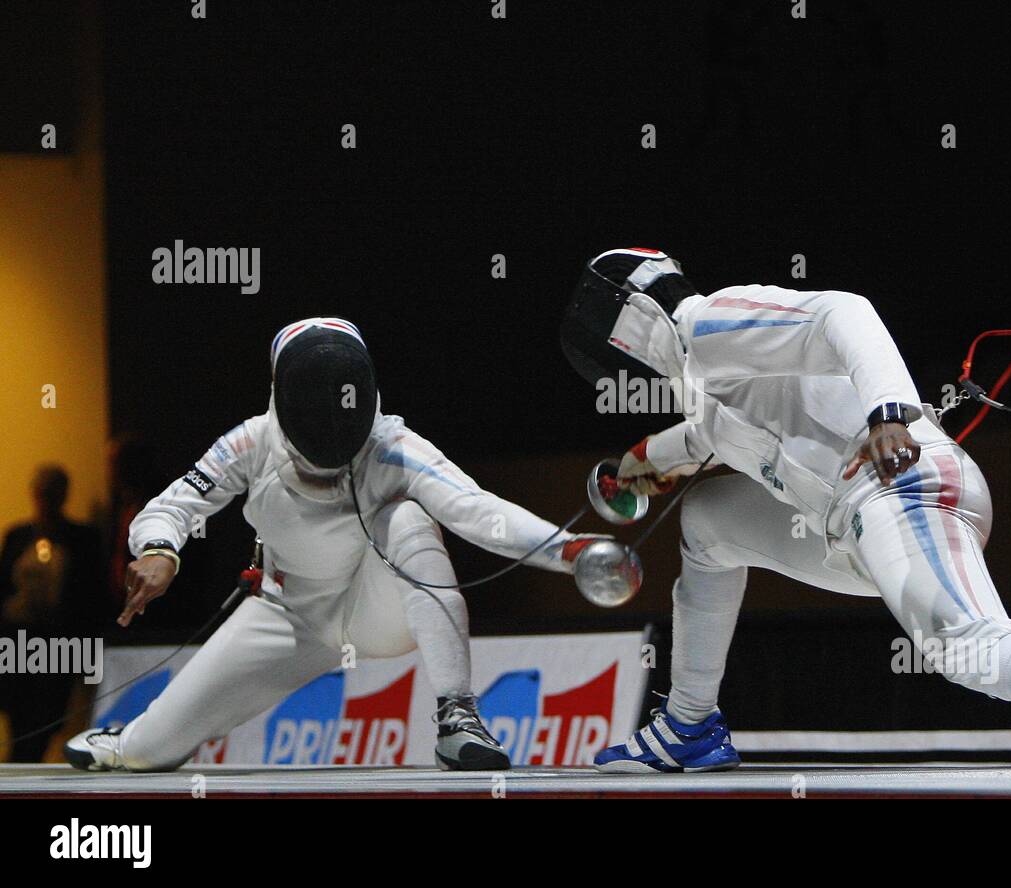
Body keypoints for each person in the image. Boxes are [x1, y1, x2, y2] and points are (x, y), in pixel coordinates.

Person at [561, 248, 1011, 772]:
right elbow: (700, 437)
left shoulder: (709, 324)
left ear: (625, 313)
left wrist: (887, 411)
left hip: (903, 482)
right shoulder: (705, 386)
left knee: (970, 651)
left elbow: (844, 313)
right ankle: (688, 727)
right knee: (708, 519)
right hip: (849, 526)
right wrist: (633, 470)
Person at [66, 317, 602, 772]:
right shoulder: (251, 442)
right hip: (288, 614)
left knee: (411, 518)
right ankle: (128, 741)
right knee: (148, 751)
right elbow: (173, 505)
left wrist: (570, 551)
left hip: (374, 608)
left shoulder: (392, 446)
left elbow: (478, 510)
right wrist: (160, 549)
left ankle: (456, 718)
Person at [0, 466, 105, 761]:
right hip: (19, 641)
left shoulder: (82, 539)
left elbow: (90, 595)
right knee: (20, 719)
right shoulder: (18, 536)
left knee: (53, 716)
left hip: (61, 642)